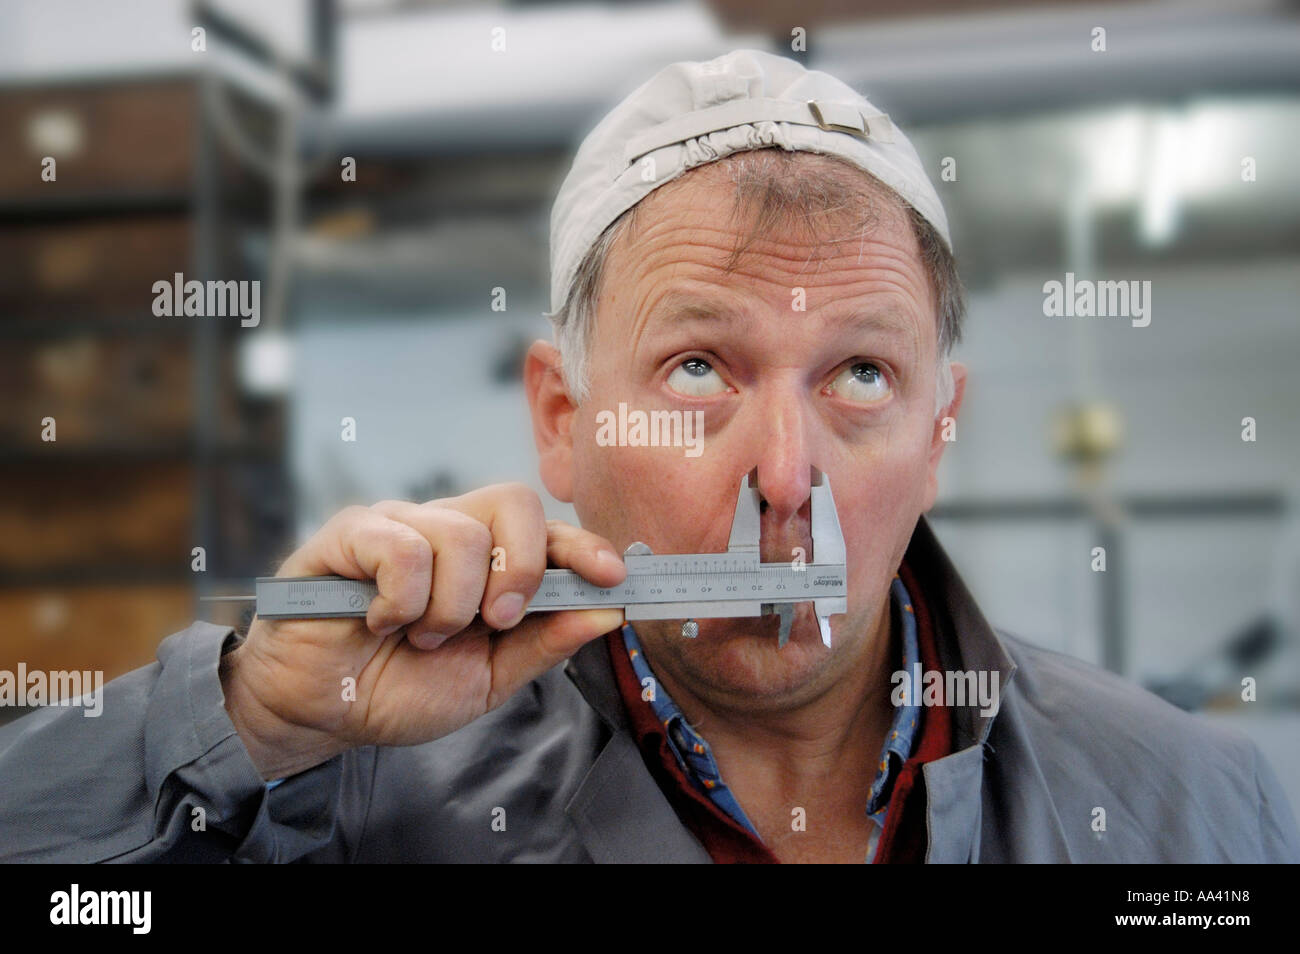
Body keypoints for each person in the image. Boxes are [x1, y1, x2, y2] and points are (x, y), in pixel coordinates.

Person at [1, 49, 1296, 863]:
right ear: (562, 418)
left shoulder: (1198, 807)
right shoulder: (338, 800)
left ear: (940, 427)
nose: (785, 475)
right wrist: (245, 719)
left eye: (861, 374)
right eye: (698, 371)